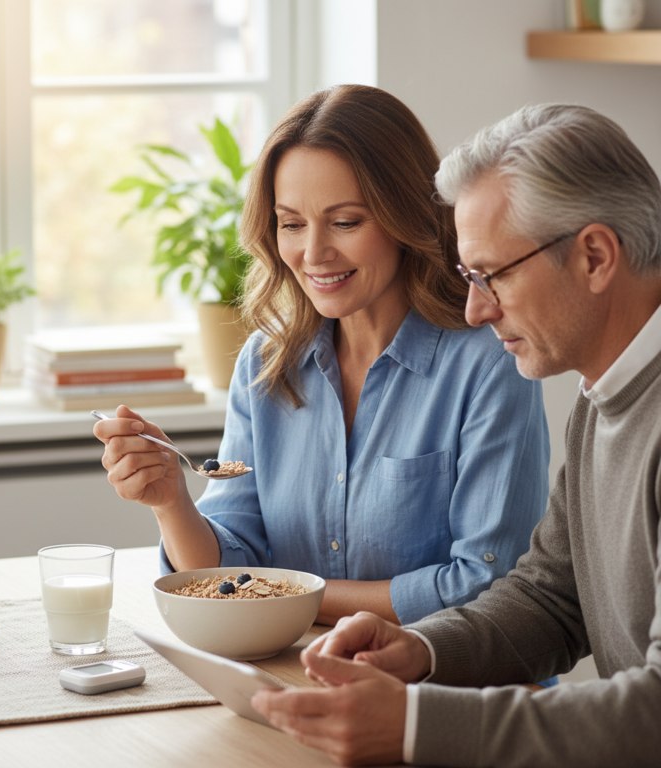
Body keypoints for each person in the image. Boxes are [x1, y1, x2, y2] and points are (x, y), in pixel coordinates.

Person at [251, 102, 661, 768]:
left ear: (593, 256)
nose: (475, 308)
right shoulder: (605, 397)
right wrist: (421, 649)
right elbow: (552, 598)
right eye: (471, 278)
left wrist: (415, 725)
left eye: (492, 275)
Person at [94, 84, 550, 628]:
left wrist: (291, 594)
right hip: (297, 674)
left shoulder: (489, 363)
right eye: (291, 223)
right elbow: (228, 571)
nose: (313, 254)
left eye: (346, 222)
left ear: (407, 215)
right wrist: (170, 500)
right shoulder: (267, 363)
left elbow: (485, 586)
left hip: (449, 690)